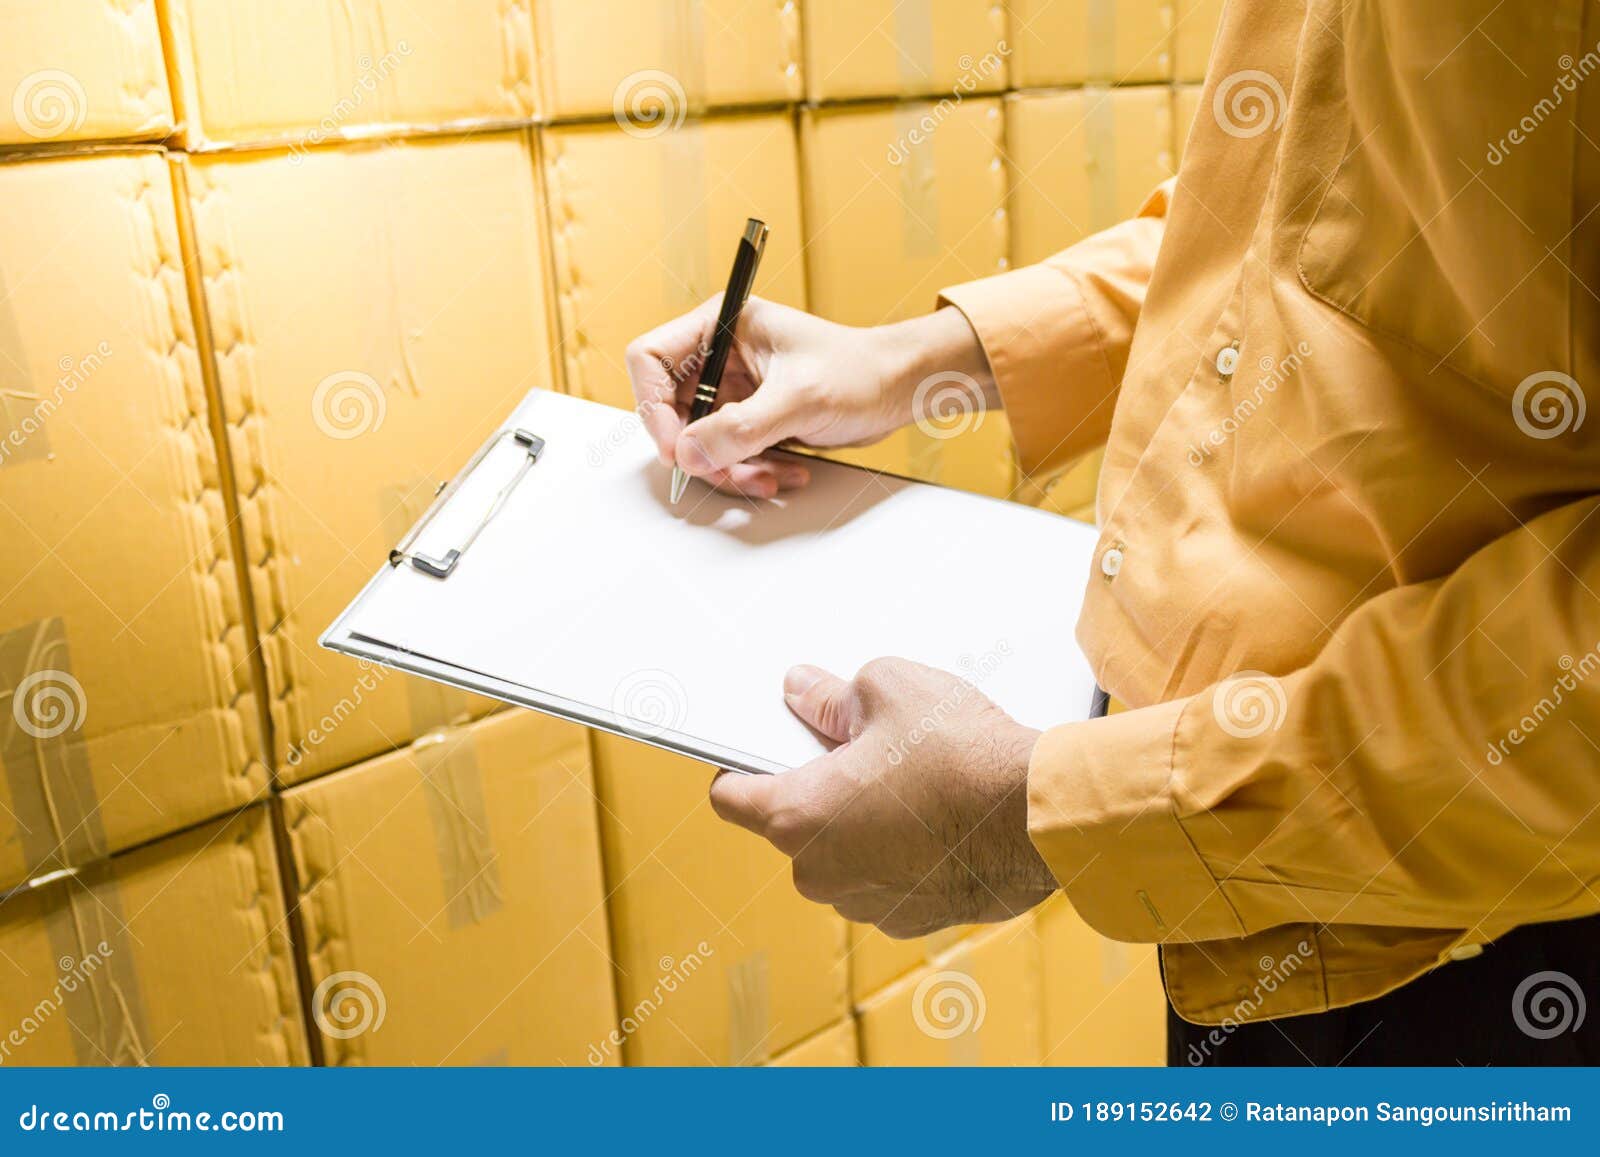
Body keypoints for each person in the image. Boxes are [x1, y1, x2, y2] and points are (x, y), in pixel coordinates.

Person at [626, 0, 1600, 1066]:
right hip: (1252, 900)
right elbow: (1316, 211)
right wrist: (917, 360)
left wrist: (1042, 812)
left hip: (1490, 950)